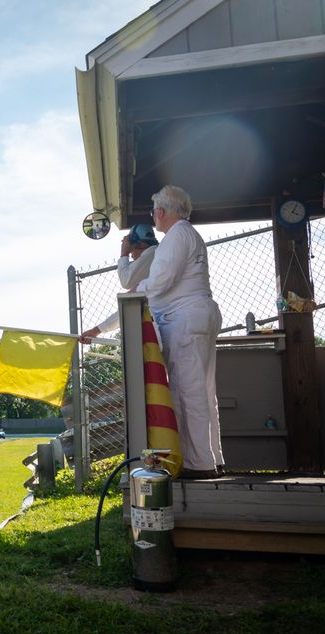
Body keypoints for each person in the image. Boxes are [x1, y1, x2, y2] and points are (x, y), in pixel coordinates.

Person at [138, 185, 223, 479]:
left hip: (185, 319)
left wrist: (134, 294)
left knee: (188, 392)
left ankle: (199, 464)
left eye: (154, 212)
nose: (153, 217)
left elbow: (160, 281)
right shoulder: (190, 235)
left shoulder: (176, 237)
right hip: (200, 313)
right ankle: (213, 456)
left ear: (160, 212)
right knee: (203, 391)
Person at [80, 223, 160, 343]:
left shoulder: (152, 252)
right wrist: (97, 330)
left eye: (132, 250)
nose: (132, 256)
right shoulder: (152, 266)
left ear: (141, 244)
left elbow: (126, 280)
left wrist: (124, 253)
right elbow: (126, 310)